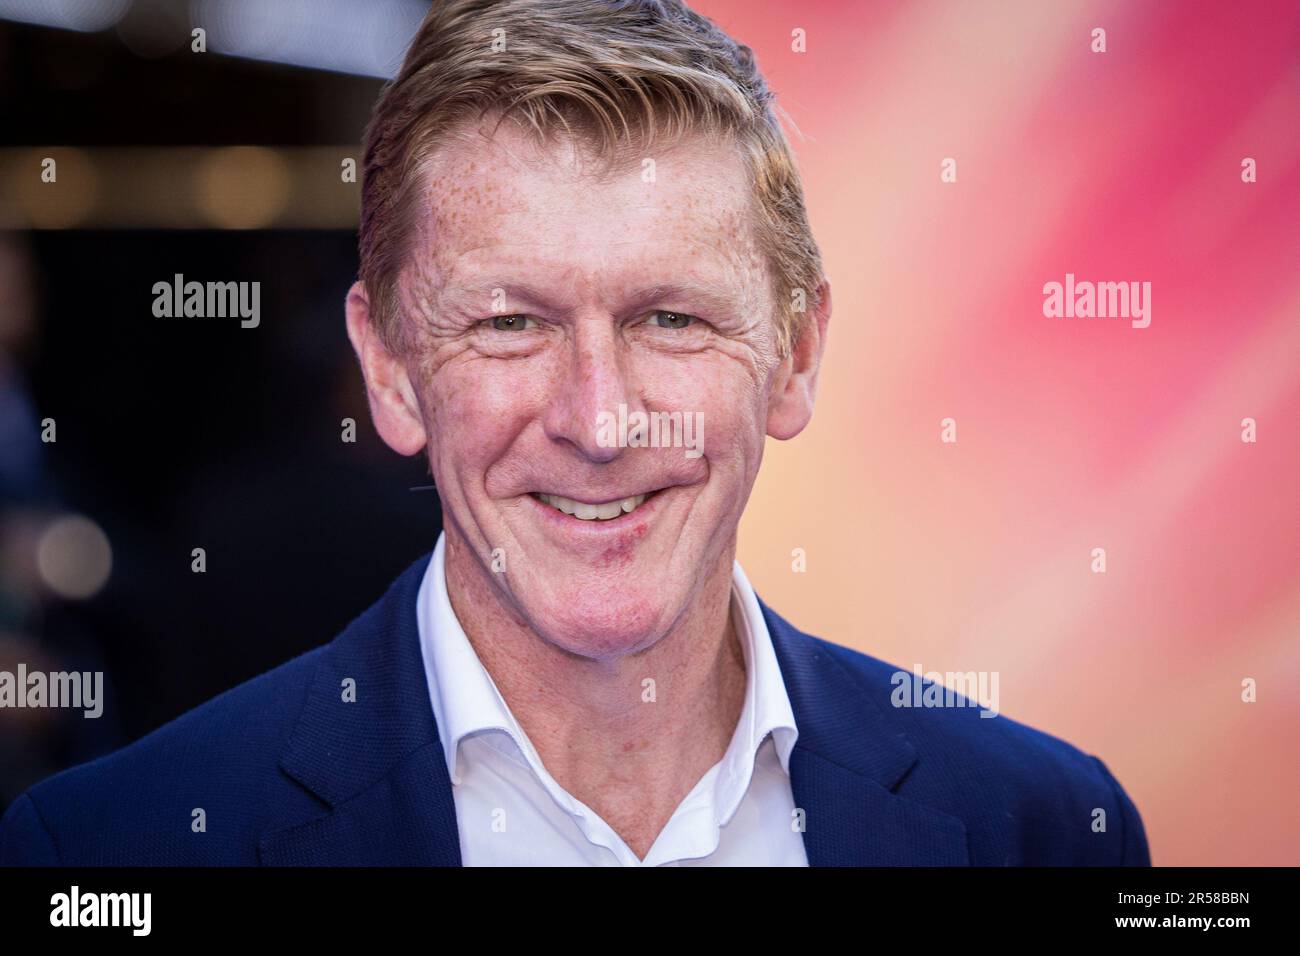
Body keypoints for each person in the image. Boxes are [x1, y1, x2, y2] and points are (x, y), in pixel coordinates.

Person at [0, 0, 1149, 866]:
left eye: (669, 316)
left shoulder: (1042, 828)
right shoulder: (110, 850)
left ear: (794, 354)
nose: (599, 419)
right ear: (390, 368)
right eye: (509, 322)